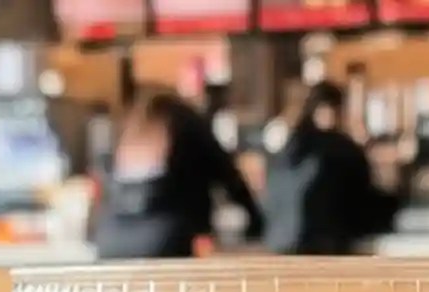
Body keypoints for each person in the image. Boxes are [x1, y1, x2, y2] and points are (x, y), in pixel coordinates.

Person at [95, 87, 264, 259]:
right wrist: (256, 222)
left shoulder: (131, 129)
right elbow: (229, 176)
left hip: (110, 241)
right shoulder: (188, 124)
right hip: (168, 242)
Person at [263, 82, 398, 255]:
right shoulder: (341, 149)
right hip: (324, 245)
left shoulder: (288, 147)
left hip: (280, 242)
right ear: (338, 110)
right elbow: (364, 201)